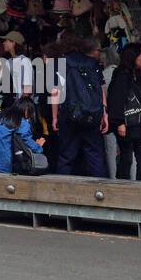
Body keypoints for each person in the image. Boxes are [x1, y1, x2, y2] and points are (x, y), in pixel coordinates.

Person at [55, 33, 109, 177]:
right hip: (92, 113)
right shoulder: (93, 63)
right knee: (95, 155)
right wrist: (104, 113)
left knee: (66, 155)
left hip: (69, 113)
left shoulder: (62, 63)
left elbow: (55, 92)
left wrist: (55, 117)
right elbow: (100, 89)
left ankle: (61, 191)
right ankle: (99, 190)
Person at [107, 44, 141, 181]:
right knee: (127, 158)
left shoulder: (135, 74)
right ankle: (123, 186)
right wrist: (119, 122)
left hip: (138, 122)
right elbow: (116, 100)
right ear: (132, 57)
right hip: (127, 124)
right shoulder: (122, 75)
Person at [0, 99, 45, 174]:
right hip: (3, 167)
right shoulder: (21, 122)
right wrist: (38, 146)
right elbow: (27, 141)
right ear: (26, 109)